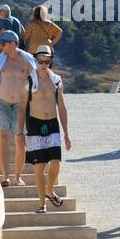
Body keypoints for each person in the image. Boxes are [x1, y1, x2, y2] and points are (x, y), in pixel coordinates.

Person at [22, 46, 72, 211]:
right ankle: (42, 203)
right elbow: (22, 108)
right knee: (39, 166)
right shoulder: (29, 80)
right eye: (40, 61)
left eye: (47, 61)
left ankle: (50, 189)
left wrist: (66, 133)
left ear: (50, 61)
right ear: (35, 60)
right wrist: (19, 132)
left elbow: (62, 107)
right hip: (35, 124)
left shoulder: (56, 81)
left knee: (56, 162)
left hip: (52, 124)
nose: (44, 64)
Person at [0, 31, 38, 186]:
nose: (0, 46)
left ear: (13, 44)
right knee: (3, 138)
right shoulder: (0, 61)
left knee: (20, 141)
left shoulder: (28, 61)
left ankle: (17, 176)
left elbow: (36, 84)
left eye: (3, 43)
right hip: (2, 103)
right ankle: (5, 177)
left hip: (21, 106)